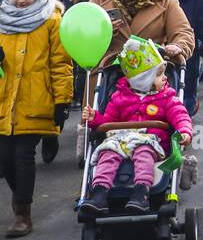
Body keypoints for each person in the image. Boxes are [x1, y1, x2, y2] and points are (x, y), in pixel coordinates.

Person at [78, 37, 193, 215]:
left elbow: (180, 116)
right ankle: (99, 194)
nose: (165, 78)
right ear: (144, 80)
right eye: (160, 74)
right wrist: (94, 118)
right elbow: (108, 122)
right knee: (107, 153)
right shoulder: (119, 97)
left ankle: (141, 193)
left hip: (150, 140)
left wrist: (184, 132)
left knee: (144, 154)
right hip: (120, 138)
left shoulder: (167, 97)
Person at [0, 0, 72, 237]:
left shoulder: (52, 18)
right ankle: (21, 198)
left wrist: (62, 102)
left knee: (22, 155)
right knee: (4, 159)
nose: (21, 1)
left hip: (36, 97)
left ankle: (22, 212)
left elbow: (61, 63)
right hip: (5, 99)